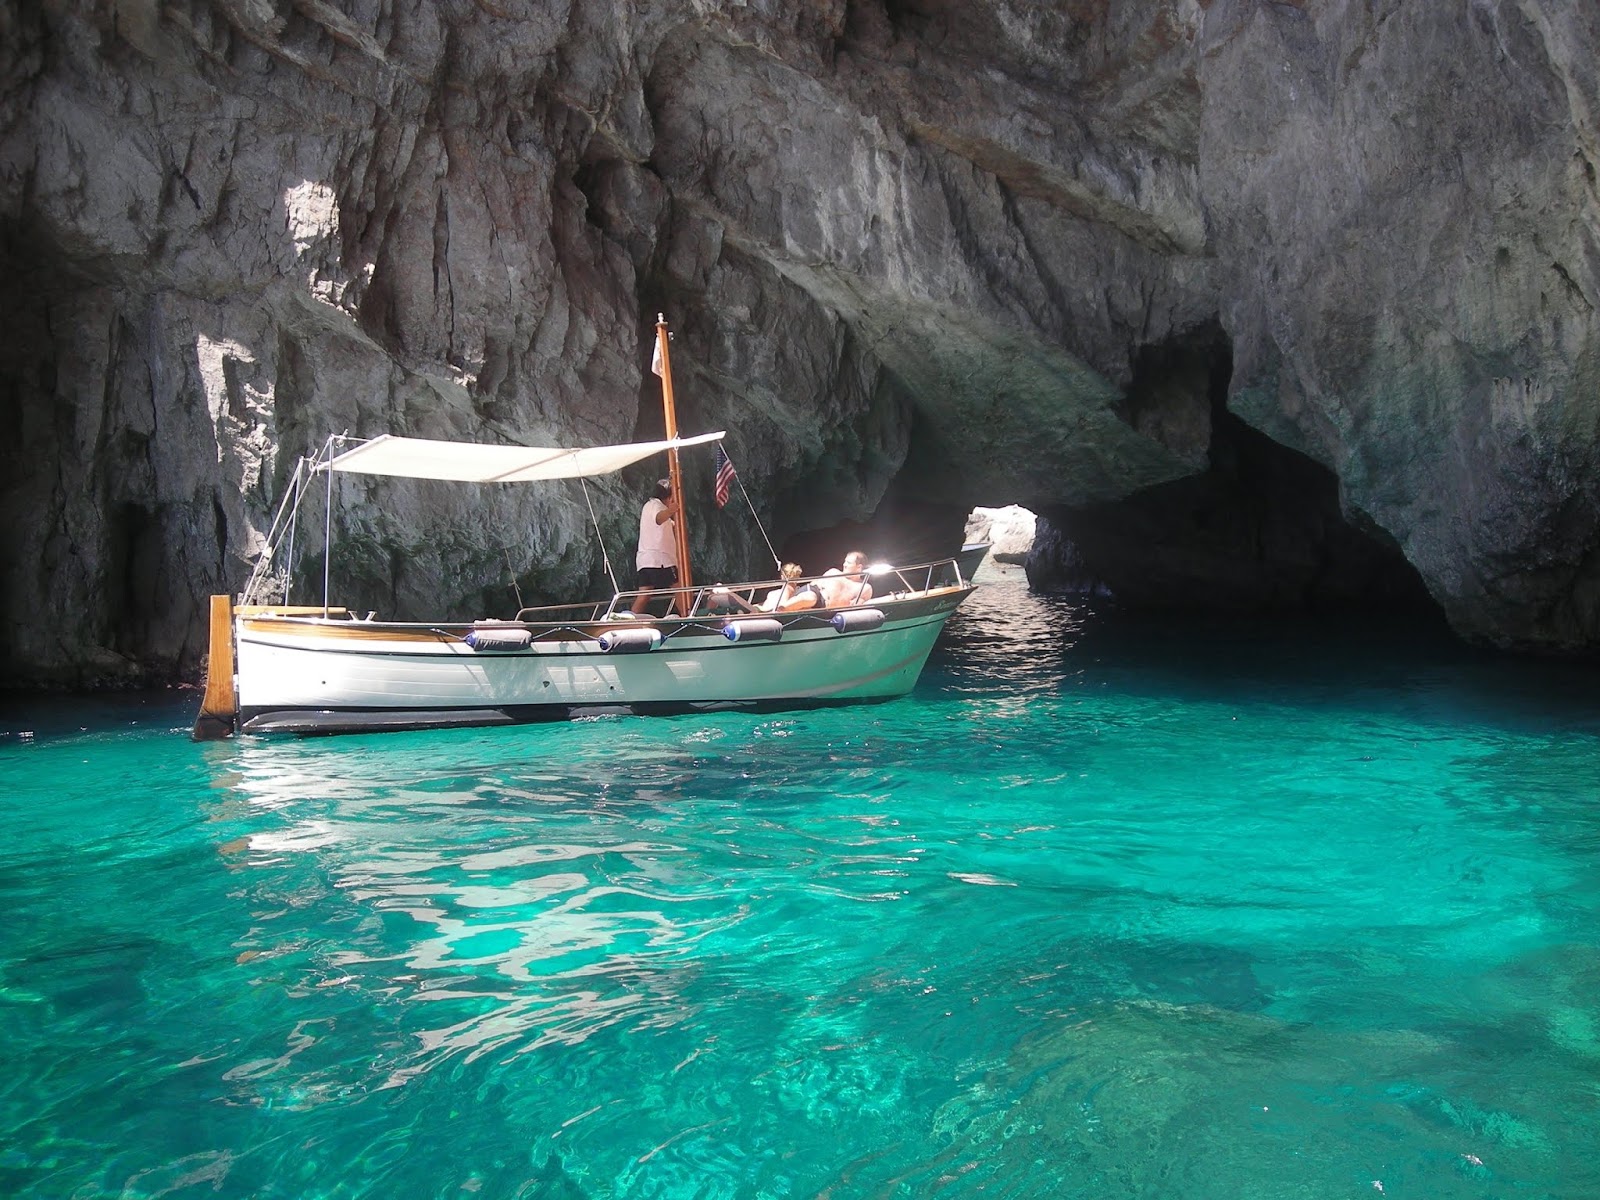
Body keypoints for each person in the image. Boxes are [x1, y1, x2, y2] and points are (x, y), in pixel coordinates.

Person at [634, 479, 680, 615]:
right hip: (660, 559)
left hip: (644, 559)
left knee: (644, 594)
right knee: (680, 590)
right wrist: (671, 510)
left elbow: (662, 523)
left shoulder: (648, 506)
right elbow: (659, 518)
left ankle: (631, 619)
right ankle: (687, 616)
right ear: (670, 496)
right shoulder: (657, 505)